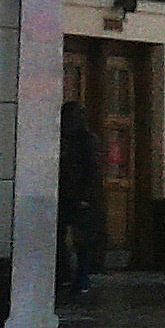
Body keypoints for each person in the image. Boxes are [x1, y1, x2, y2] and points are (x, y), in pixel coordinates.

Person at [57, 100, 105, 300]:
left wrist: (85, 196)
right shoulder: (69, 139)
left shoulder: (85, 141)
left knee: (81, 240)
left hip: (77, 196)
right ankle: (68, 275)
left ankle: (80, 278)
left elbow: (92, 170)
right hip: (68, 194)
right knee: (67, 237)